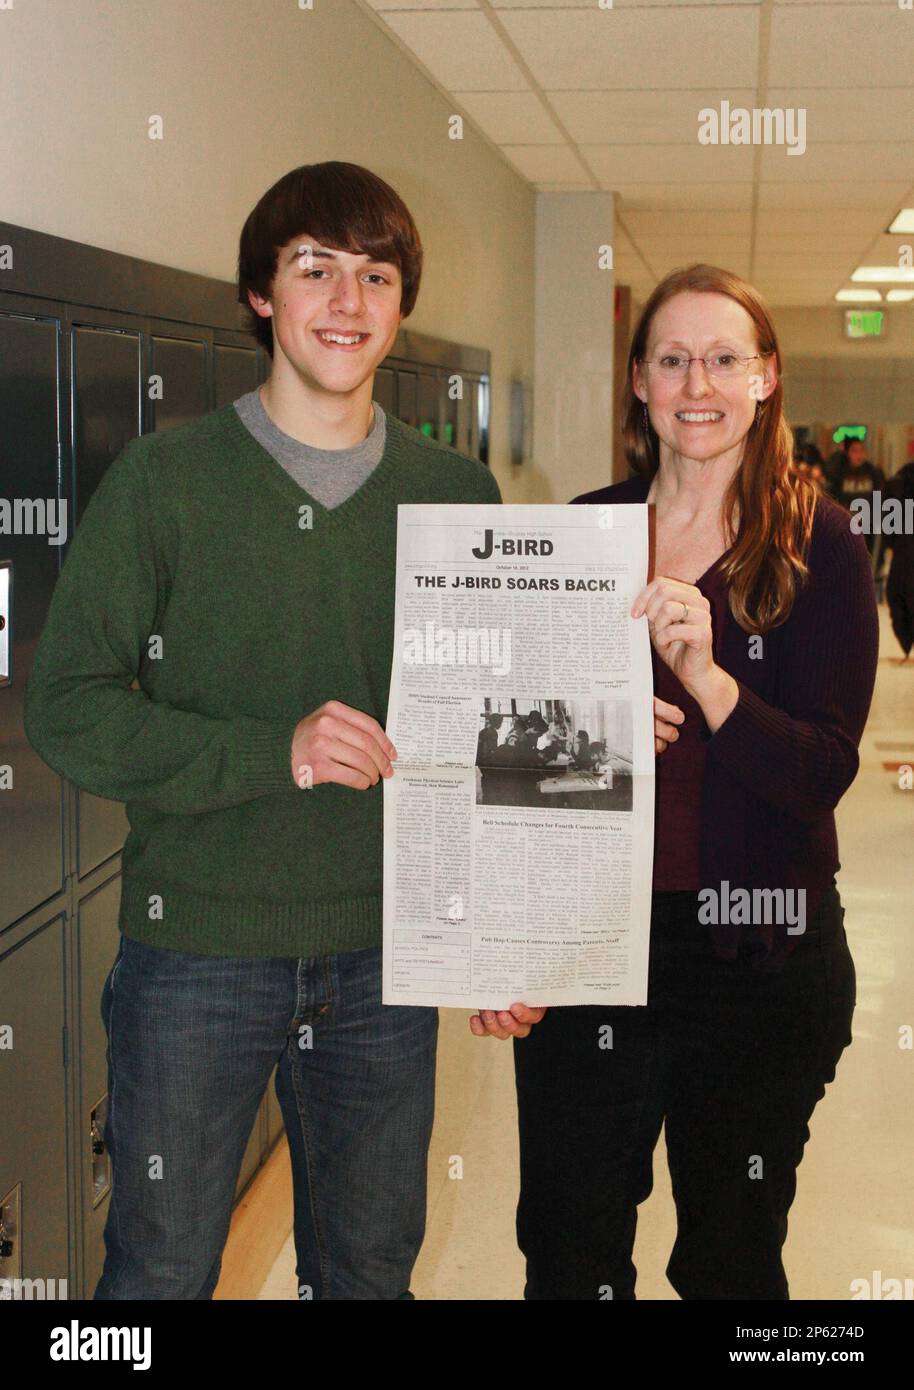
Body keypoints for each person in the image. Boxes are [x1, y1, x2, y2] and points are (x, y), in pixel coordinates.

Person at [23, 159, 539, 1301]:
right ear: (262, 293)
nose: (346, 301)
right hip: (196, 950)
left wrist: (501, 936)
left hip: (383, 963)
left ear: (401, 306)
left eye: (375, 275)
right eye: (315, 269)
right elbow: (68, 705)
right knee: (157, 1272)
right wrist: (276, 749)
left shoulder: (454, 498)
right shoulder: (166, 482)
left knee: (366, 1273)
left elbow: (492, 740)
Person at [511, 263, 879, 1300]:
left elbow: (818, 772)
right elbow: (517, 771)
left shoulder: (820, 546)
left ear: (764, 377)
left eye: (724, 358)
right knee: (568, 1250)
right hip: (593, 948)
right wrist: (509, 941)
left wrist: (711, 683)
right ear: (637, 381)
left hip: (758, 956)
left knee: (727, 1257)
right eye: (671, 359)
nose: (697, 382)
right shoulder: (579, 539)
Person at [883, 459, 914, 661]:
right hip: (904, 542)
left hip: (903, 543)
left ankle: (906, 642)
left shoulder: (898, 480)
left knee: (899, 592)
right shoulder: (899, 480)